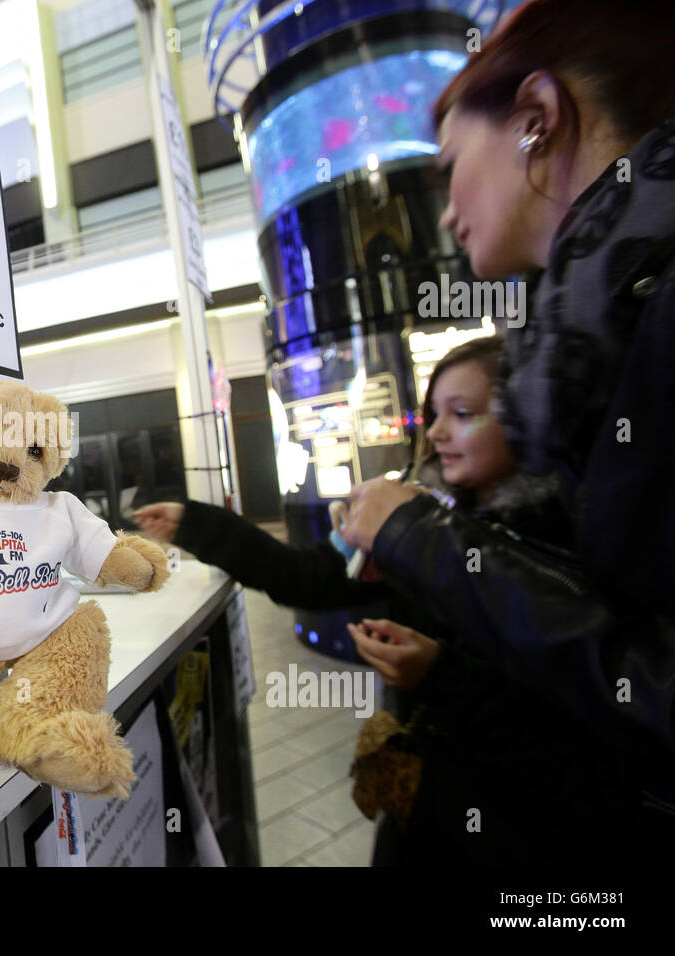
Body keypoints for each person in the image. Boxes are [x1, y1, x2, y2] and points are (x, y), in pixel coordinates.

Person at [339, 0, 675, 847]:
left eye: (449, 164)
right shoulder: (599, 342)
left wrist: (419, 536)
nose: (445, 213)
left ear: (538, 118)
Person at [136, 338, 625, 865]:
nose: (437, 433)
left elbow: (580, 704)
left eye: (463, 414)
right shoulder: (414, 519)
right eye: (434, 414)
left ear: (527, 420)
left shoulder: (573, 542)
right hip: (425, 800)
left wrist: (438, 673)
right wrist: (198, 523)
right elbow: (305, 576)